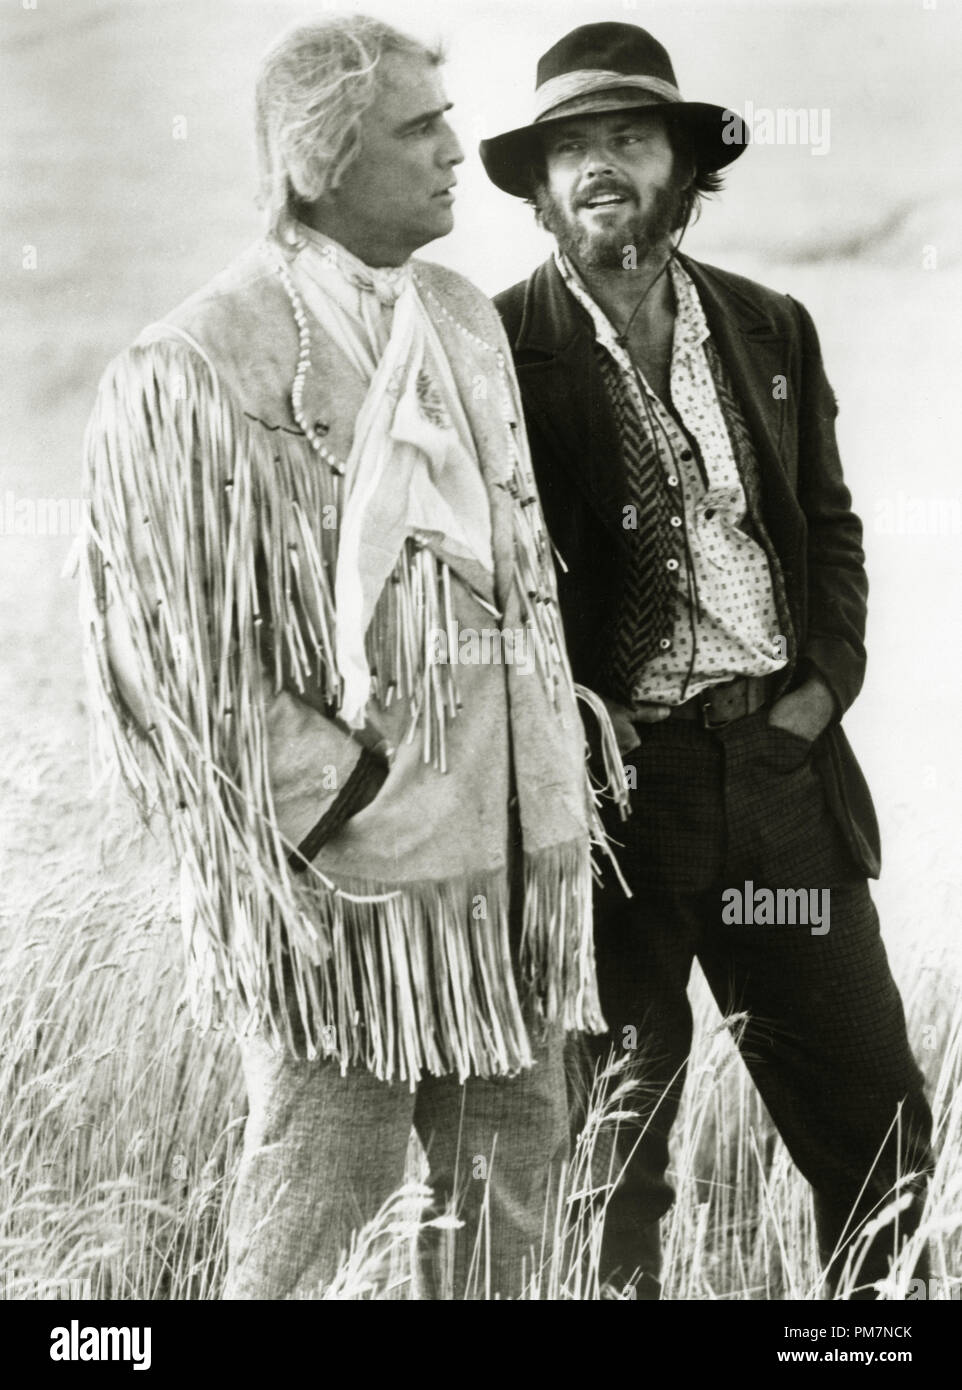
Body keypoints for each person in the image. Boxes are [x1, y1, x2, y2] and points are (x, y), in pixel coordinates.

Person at [79, 15, 624, 1301]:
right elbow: (184, 663)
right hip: (346, 897)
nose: (455, 150)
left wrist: (546, 759)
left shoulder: (458, 318)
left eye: (446, 120)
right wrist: (343, 811)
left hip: (507, 872)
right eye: (419, 129)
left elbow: (513, 571)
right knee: (319, 1204)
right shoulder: (196, 363)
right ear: (318, 163)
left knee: (508, 1203)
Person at [482, 20, 933, 1299]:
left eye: (626, 137)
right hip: (610, 813)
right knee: (607, 1158)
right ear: (536, 186)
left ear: (683, 166)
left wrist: (815, 695)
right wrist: (559, 726)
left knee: (878, 1132)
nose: (596, 168)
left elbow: (829, 528)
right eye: (567, 148)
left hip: (781, 785)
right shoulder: (491, 351)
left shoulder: (768, 327)